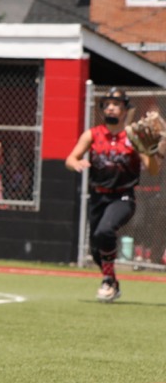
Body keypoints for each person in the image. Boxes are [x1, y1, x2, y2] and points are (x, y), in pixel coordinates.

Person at [64, 88, 162, 302]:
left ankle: (108, 280)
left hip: (123, 196)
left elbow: (153, 169)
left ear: (125, 109)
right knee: (96, 247)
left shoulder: (133, 136)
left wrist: (152, 150)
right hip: (98, 196)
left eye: (116, 104)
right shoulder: (93, 134)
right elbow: (70, 158)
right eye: (107, 103)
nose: (110, 107)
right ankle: (113, 281)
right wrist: (76, 163)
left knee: (105, 231)